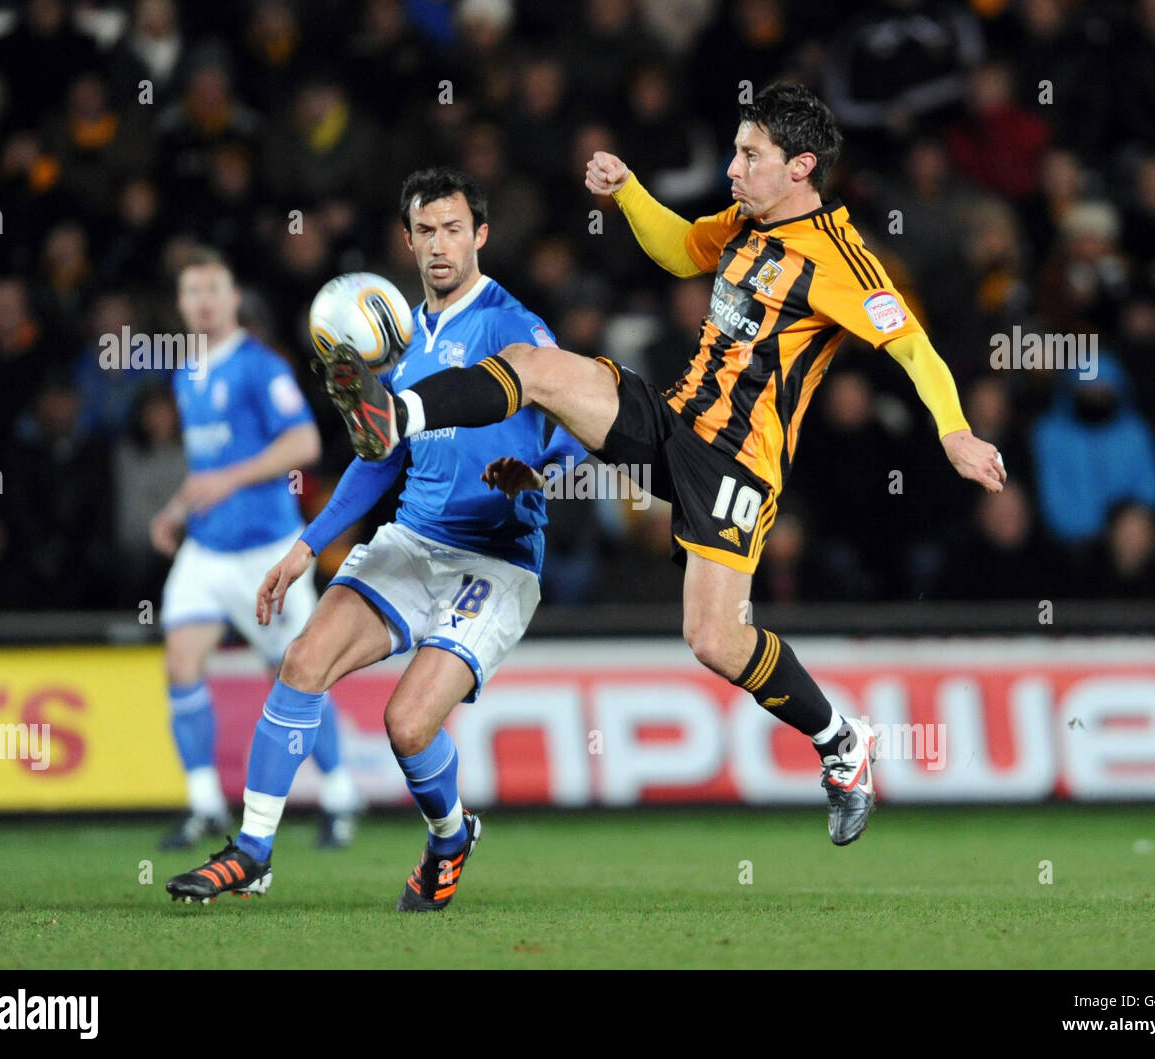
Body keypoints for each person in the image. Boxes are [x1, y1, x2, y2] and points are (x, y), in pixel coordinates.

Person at [320, 84, 1006, 847]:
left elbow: (914, 347)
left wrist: (953, 433)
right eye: (738, 149)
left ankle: (843, 738)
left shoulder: (841, 261)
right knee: (533, 363)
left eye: (751, 155)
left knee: (714, 638)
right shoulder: (746, 219)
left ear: (801, 167)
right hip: (671, 423)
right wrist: (630, 194)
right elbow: (682, 249)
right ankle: (399, 412)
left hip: (736, 468)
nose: (734, 165)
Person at [166, 168, 584, 911]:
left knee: (407, 722)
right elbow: (379, 456)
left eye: (454, 228)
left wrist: (542, 469)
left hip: (496, 556)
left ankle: (450, 838)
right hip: (412, 543)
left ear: (480, 235)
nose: (439, 245)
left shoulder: (514, 326)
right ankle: (254, 850)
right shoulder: (398, 336)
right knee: (302, 658)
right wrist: (305, 546)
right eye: (425, 231)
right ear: (408, 239)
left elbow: (581, 425)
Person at [151, 247, 361, 850]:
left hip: (267, 549)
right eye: (191, 292)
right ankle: (204, 804)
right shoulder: (186, 373)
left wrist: (231, 479)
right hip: (208, 551)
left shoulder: (260, 367)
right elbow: (207, 468)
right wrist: (175, 511)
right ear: (181, 304)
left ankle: (341, 794)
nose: (202, 301)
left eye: (212, 289)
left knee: (297, 672)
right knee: (180, 663)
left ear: (233, 297)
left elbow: (301, 444)